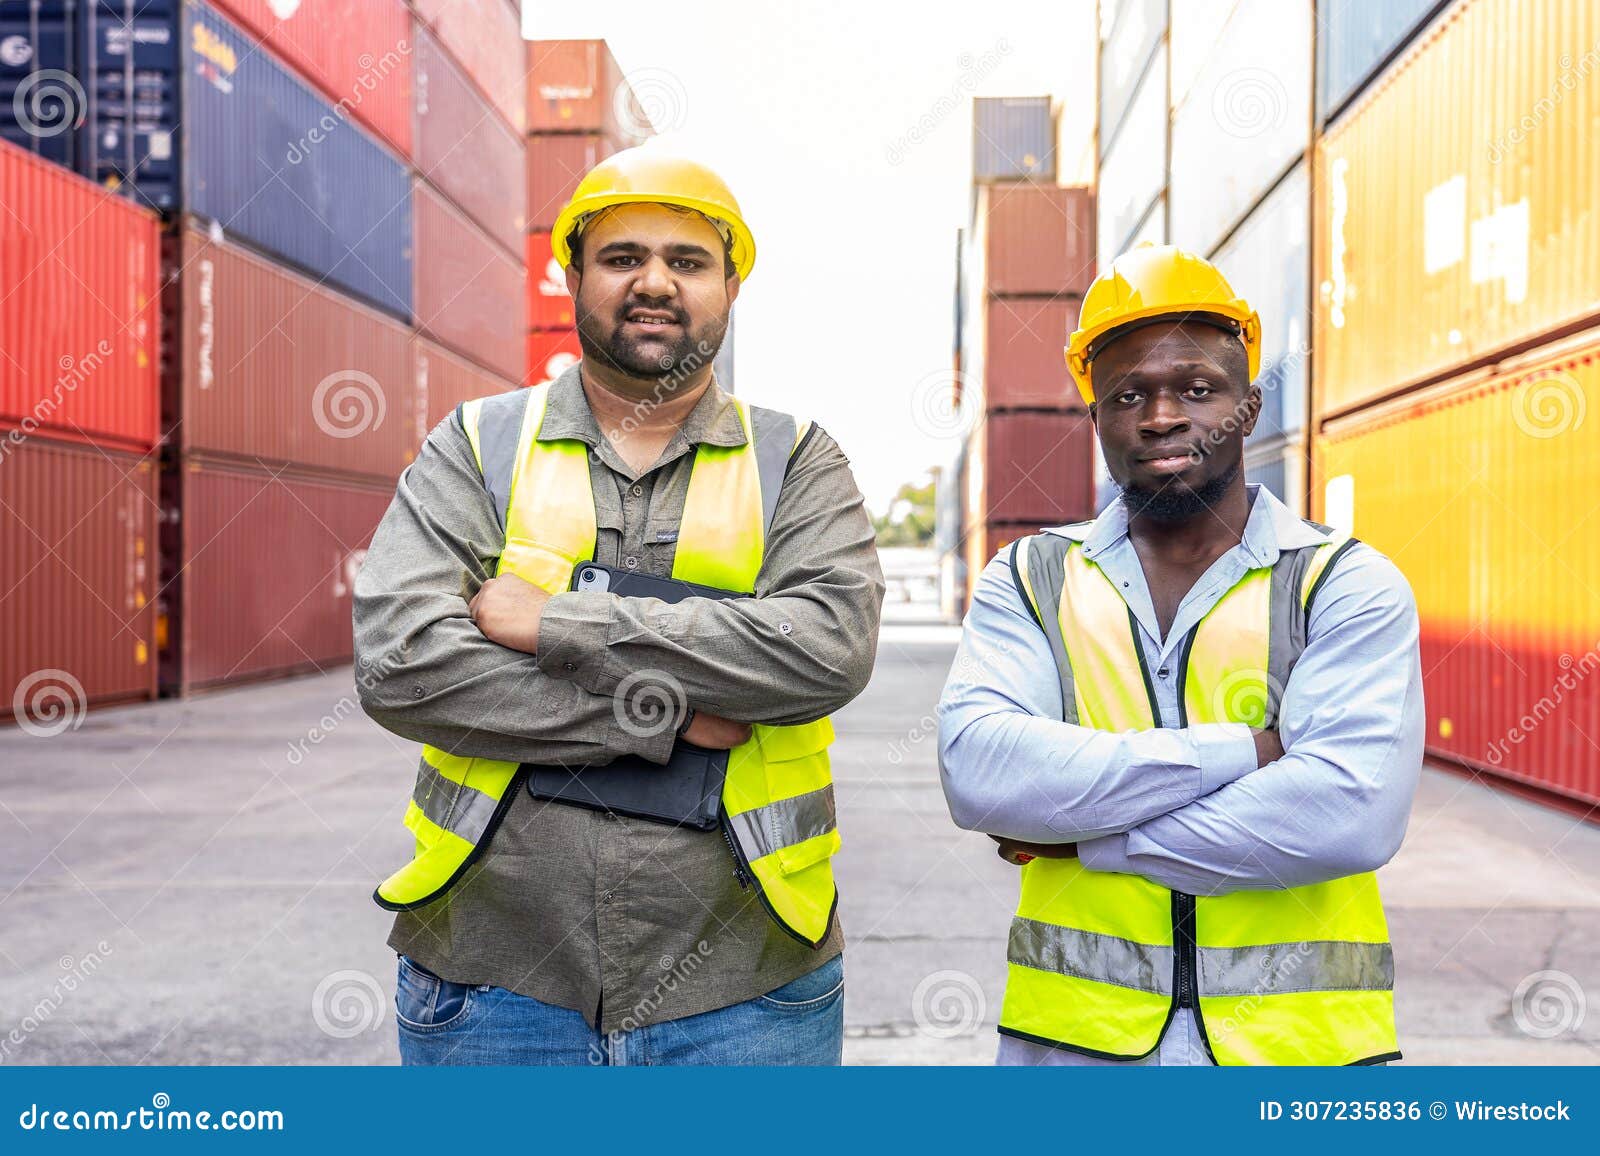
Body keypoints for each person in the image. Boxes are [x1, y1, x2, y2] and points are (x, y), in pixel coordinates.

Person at [355, 145, 884, 1066]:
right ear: (572, 276)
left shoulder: (798, 460)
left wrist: (560, 623)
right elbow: (402, 664)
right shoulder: (477, 446)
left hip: (746, 983)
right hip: (490, 977)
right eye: (621, 257)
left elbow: (825, 649)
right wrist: (664, 715)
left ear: (728, 289)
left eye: (687, 262)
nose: (654, 283)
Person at [937, 243, 1424, 1066]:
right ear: (1097, 420)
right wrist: (1242, 753)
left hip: (1299, 1058)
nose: (1162, 416)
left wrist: (1090, 839)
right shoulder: (1030, 577)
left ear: (1250, 407)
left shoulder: (1343, 583)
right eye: (1129, 395)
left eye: (1198, 389)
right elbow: (981, 771)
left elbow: (1349, 813)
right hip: (1073, 1054)